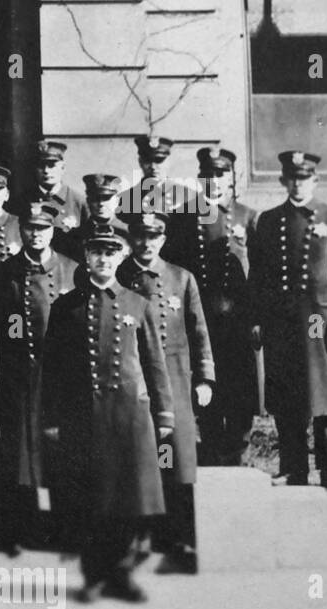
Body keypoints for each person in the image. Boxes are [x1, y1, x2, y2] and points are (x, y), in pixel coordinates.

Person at [41, 234, 174, 603]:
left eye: (111, 252)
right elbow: (52, 370)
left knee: (127, 500)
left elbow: (154, 363)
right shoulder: (66, 307)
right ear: (86, 255)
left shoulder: (138, 304)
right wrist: (51, 417)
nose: (103, 258)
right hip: (83, 417)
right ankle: (94, 575)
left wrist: (163, 412)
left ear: (123, 256)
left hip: (129, 417)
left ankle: (122, 573)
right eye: (96, 251)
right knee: (90, 500)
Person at [250, 150, 327, 492]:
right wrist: (256, 319)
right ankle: (292, 468)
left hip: (317, 321)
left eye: (304, 178)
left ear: (315, 180)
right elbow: (259, 275)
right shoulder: (268, 220)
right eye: (291, 178)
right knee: (286, 397)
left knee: (323, 397)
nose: (298, 184)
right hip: (281, 323)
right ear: (283, 181)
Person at [118, 213, 213, 574]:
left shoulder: (181, 278)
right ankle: (141, 536)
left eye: (154, 236)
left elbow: (199, 330)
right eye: (140, 236)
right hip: (134, 376)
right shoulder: (122, 275)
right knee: (140, 459)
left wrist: (204, 378)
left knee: (174, 458)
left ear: (163, 238)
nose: (146, 243)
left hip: (174, 378)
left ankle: (180, 537)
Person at [0, 201, 80, 552]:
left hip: (60, 378)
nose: (36, 234)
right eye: (29, 228)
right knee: (20, 453)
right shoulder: (4, 274)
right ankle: (22, 530)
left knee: (61, 451)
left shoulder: (71, 270)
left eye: (42, 228)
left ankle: (64, 528)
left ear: (52, 230)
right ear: (20, 230)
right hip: (20, 375)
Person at [177, 147, 259, 466]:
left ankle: (238, 449)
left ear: (232, 178)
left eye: (220, 175)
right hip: (202, 318)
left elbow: (261, 272)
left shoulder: (249, 217)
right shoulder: (185, 217)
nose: (214, 181)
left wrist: (256, 319)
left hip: (238, 320)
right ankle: (210, 446)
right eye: (208, 175)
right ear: (201, 179)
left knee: (240, 384)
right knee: (207, 381)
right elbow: (176, 266)